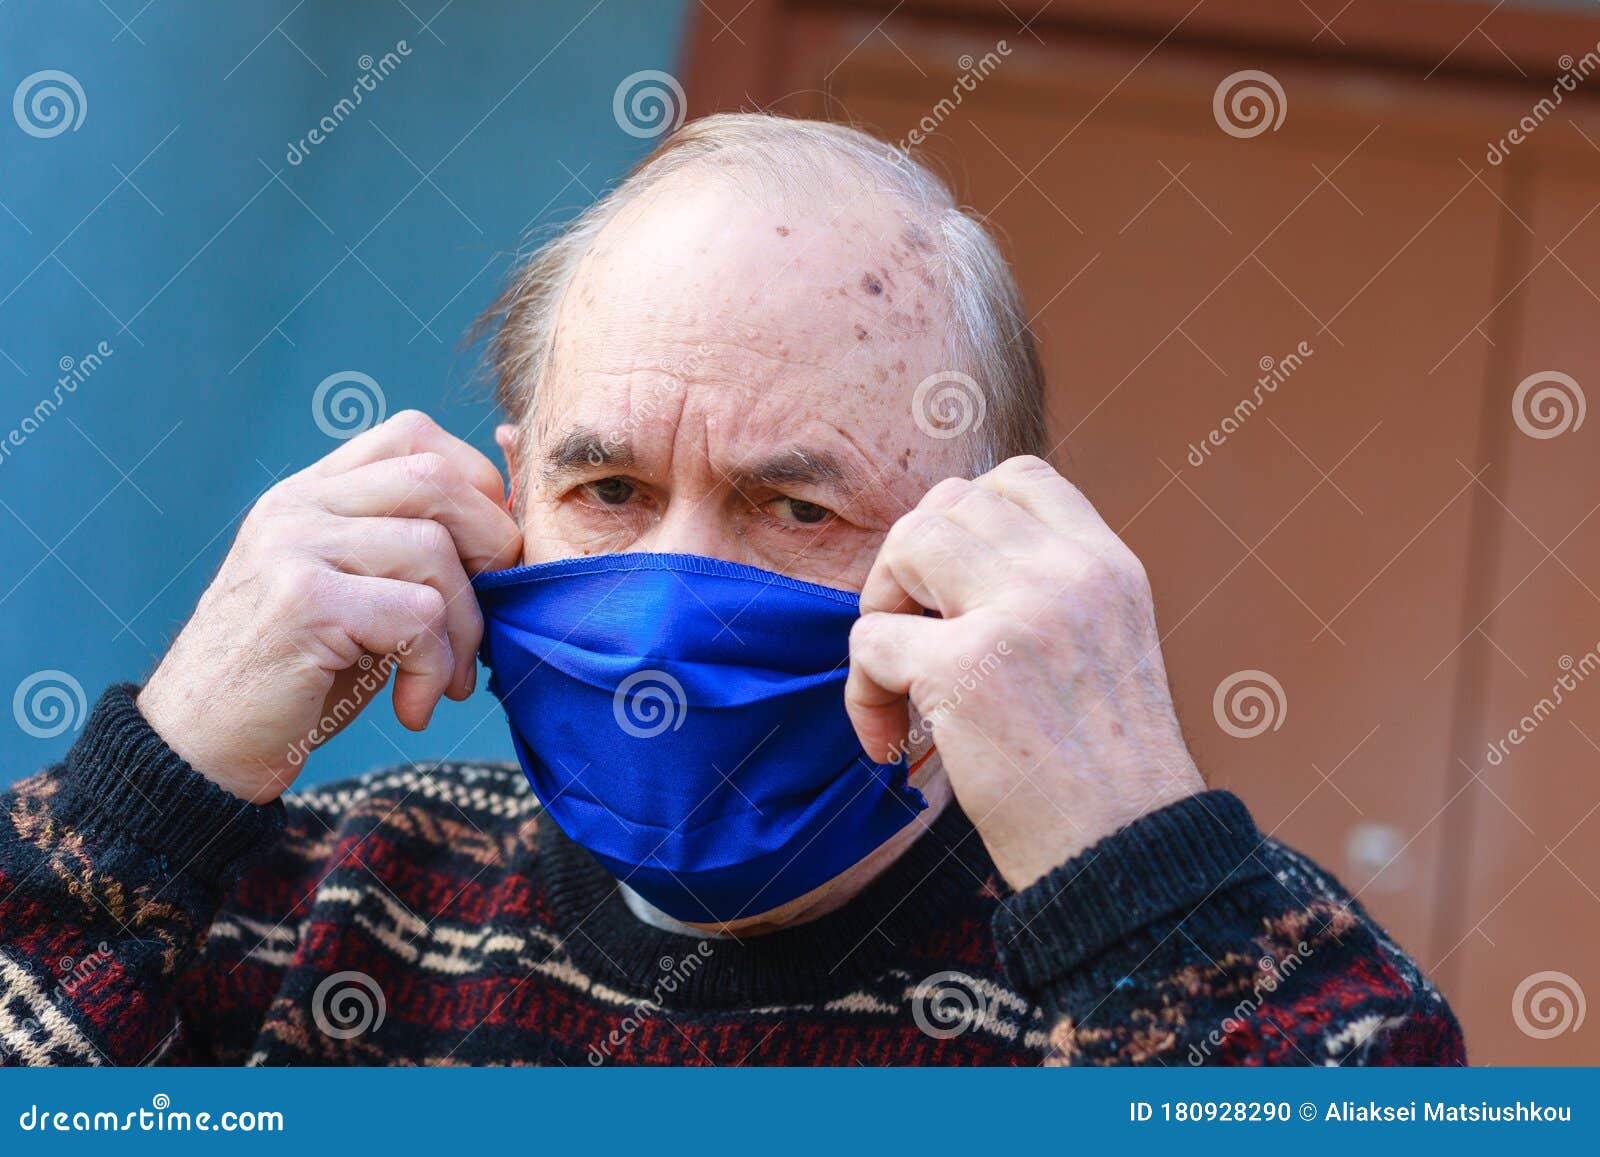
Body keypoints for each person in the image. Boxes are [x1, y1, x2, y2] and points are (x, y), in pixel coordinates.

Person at [0, 115, 1464, 1066]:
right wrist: (154, 788)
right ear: (505, 499)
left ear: (990, 548)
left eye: (793, 504)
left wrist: (1142, 876)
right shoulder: (303, 905)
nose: (669, 596)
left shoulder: (1180, 981)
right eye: (609, 490)